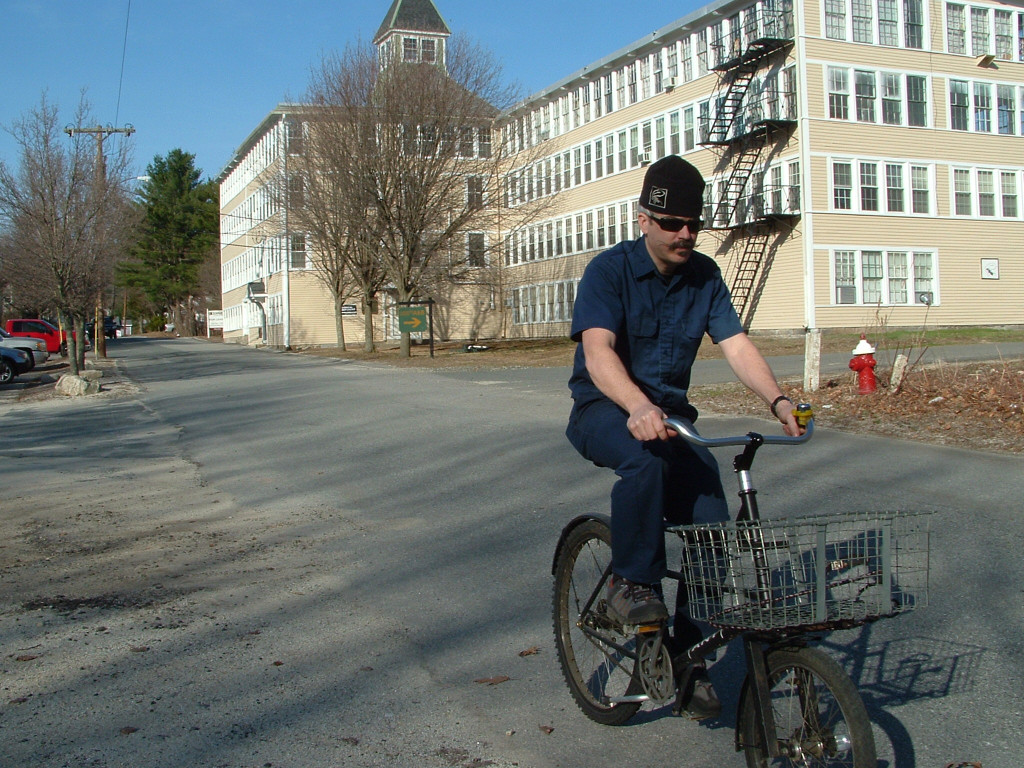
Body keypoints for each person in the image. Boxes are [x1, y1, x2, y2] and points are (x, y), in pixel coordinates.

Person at [565, 155, 802, 718]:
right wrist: (637, 404)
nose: (685, 235)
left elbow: (737, 345)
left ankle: (688, 657)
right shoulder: (609, 271)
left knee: (713, 526)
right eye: (672, 224)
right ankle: (631, 582)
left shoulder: (705, 277)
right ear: (642, 218)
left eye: (694, 224)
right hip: (606, 408)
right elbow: (597, 352)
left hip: (672, 418)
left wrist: (779, 399)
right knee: (644, 462)